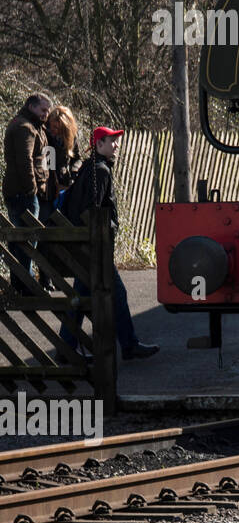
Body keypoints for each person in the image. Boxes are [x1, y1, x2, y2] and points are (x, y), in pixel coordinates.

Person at [58, 127, 159, 361]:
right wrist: (107, 230)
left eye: (116, 141)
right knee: (117, 294)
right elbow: (92, 212)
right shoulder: (100, 171)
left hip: (87, 247)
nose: (116, 145)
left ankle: (67, 348)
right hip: (95, 248)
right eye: (111, 141)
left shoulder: (89, 168)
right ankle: (129, 346)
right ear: (98, 144)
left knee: (79, 299)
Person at [3, 92, 51, 285]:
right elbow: (25, 161)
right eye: (43, 109)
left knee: (19, 240)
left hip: (17, 191)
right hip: (23, 193)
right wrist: (32, 190)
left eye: (47, 110)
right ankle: (26, 284)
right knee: (28, 240)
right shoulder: (25, 127)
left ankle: (20, 284)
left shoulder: (24, 124)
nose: (46, 114)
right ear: (31, 107)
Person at [43, 104, 83, 215]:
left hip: (64, 182)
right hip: (48, 185)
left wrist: (73, 175)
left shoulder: (71, 137)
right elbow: (47, 164)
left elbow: (77, 158)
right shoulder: (45, 136)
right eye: (52, 126)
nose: (53, 130)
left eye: (57, 128)